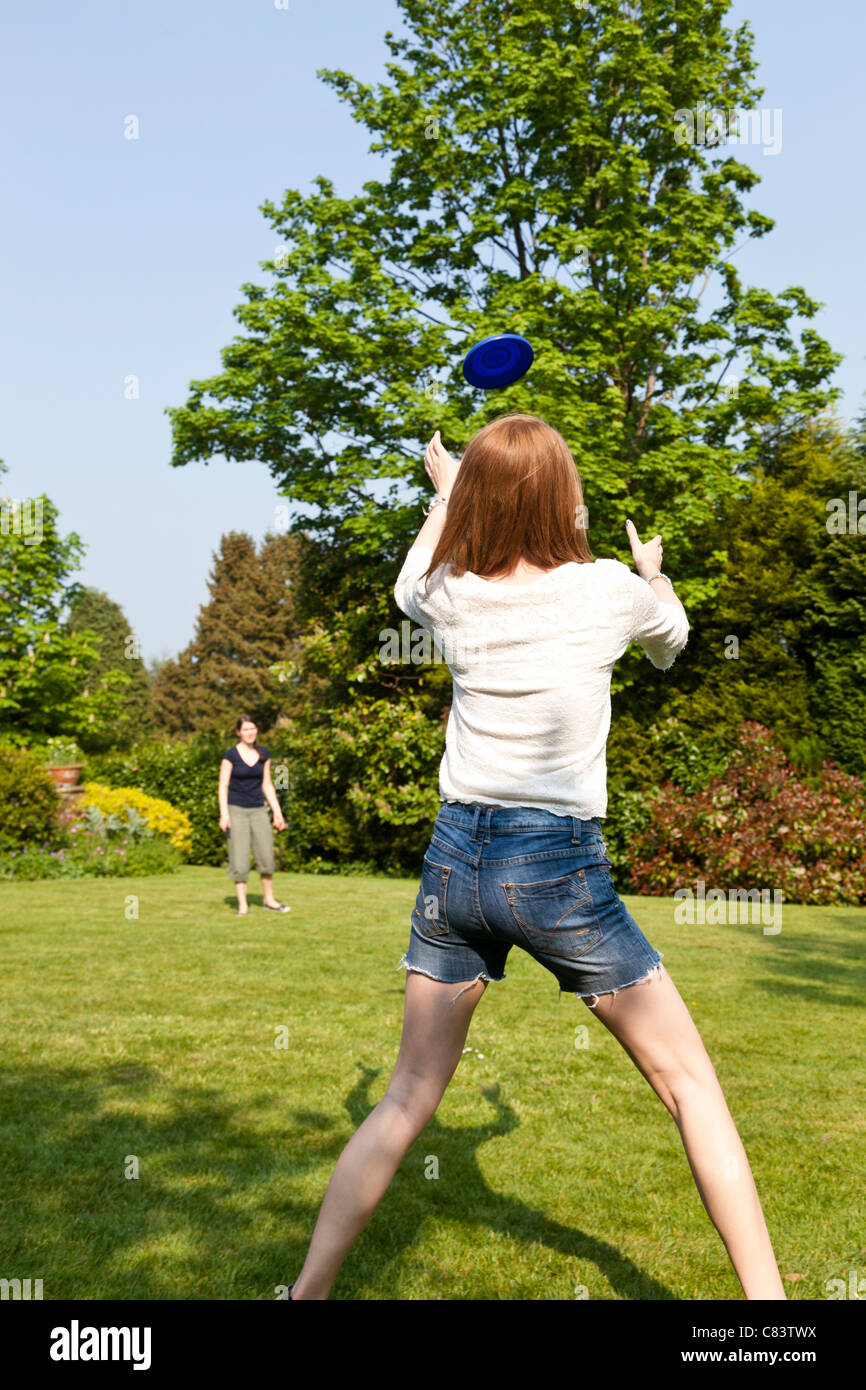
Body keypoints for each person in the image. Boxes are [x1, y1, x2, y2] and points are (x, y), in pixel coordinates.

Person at [285, 414, 785, 1301]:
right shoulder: (605, 590)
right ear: (567, 497)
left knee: (405, 1098)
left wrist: (445, 500)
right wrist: (653, 573)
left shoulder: (453, 591)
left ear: (477, 497)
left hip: (455, 862)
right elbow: (673, 642)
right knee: (690, 1088)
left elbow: (409, 583)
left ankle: (305, 1296)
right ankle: (773, 1323)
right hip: (556, 869)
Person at [219, 716, 289, 915]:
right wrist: (224, 814)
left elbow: (267, 784)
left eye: (253, 728)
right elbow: (223, 786)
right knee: (239, 861)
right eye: (246, 729)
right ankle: (242, 905)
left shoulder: (263, 754)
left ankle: (269, 900)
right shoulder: (230, 755)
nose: (250, 732)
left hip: (259, 810)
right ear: (238, 732)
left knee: (266, 858)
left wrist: (277, 812)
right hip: (236, 811)